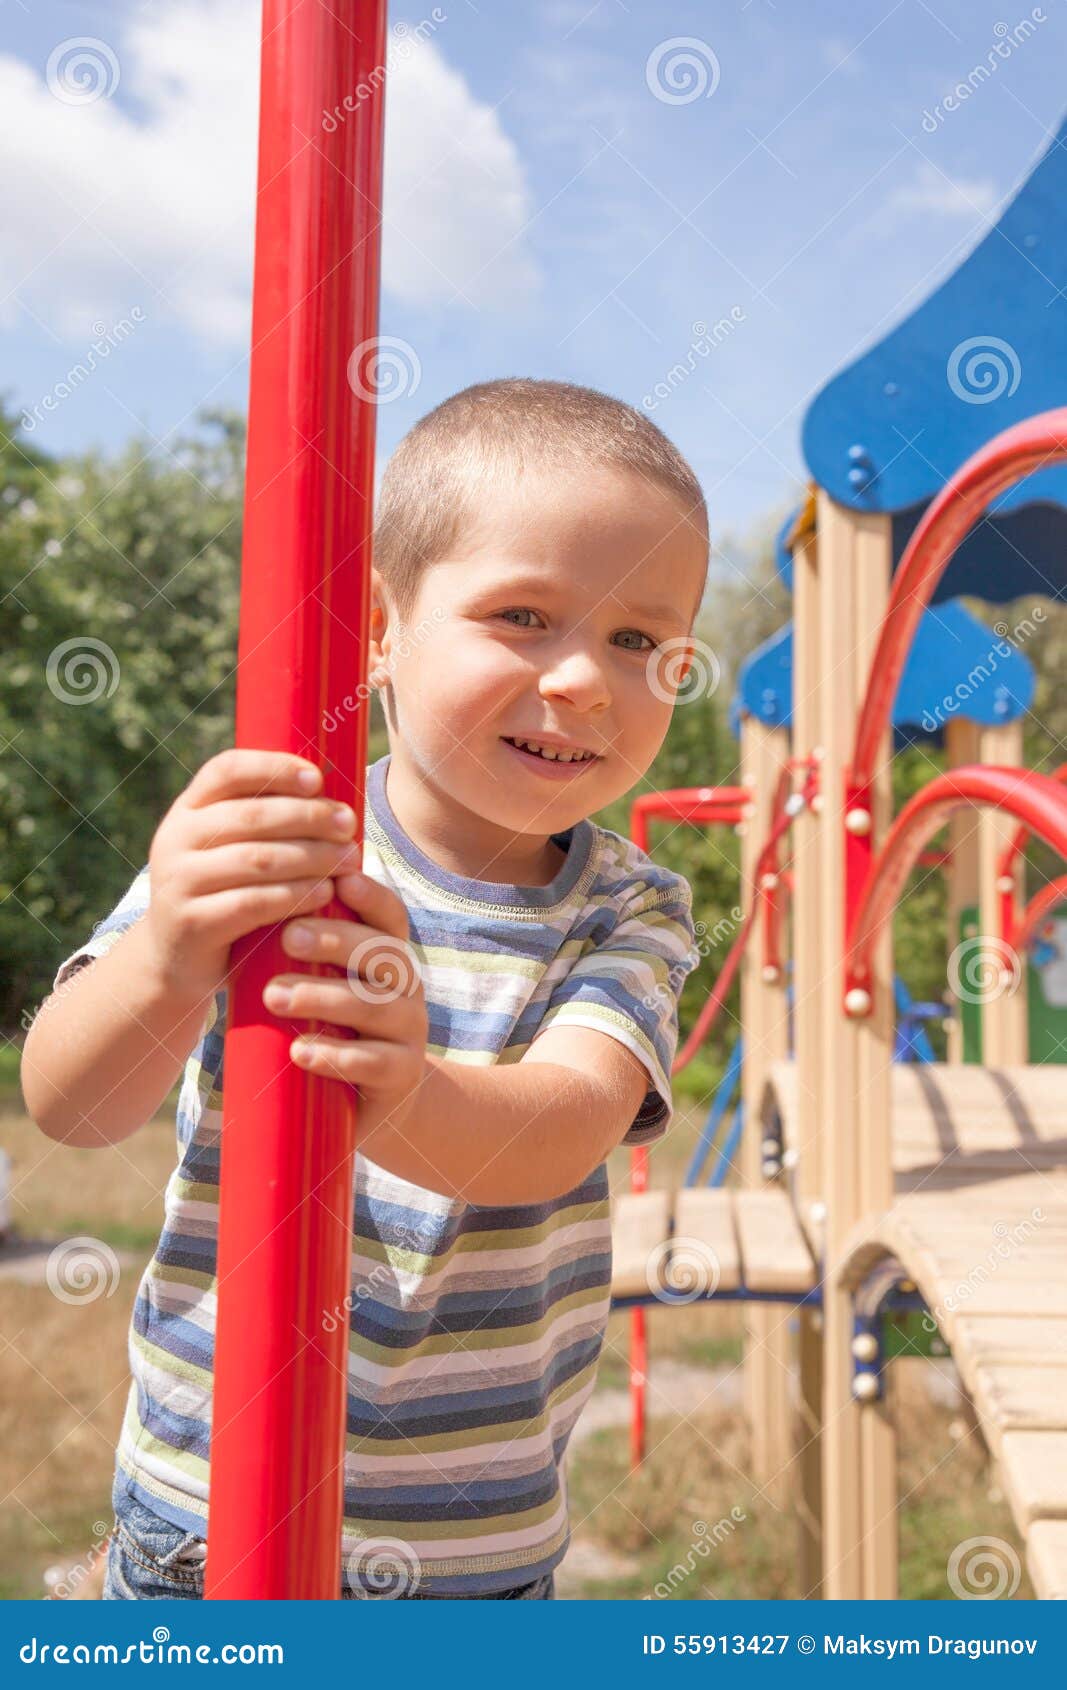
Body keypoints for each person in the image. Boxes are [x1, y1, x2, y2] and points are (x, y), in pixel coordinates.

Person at [22, 377, 709, 1600]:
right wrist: (169, 955)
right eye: (522, 615)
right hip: (203, 1513)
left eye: (637, 641)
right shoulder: (267, 839)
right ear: (378, 630)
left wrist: (400, 1091)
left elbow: (563, 1125)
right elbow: (72, 1107)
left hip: (470, 1551)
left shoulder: (629, 909)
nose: (583, 679)